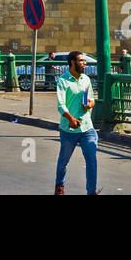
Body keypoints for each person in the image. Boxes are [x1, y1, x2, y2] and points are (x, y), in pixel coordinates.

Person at [54, 50, 99, 195]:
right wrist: (70, 119)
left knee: (91, 161)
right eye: (81, 61)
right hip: (69, 129)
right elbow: (61, 105)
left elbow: (91, 99)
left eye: (85, 61)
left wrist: (90, 104)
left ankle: (91, 192)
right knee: (63, 162)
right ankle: (60, 186)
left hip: (87, 127)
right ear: (72, 62)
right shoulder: (63, 81)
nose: (84, 63)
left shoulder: (86, 79)